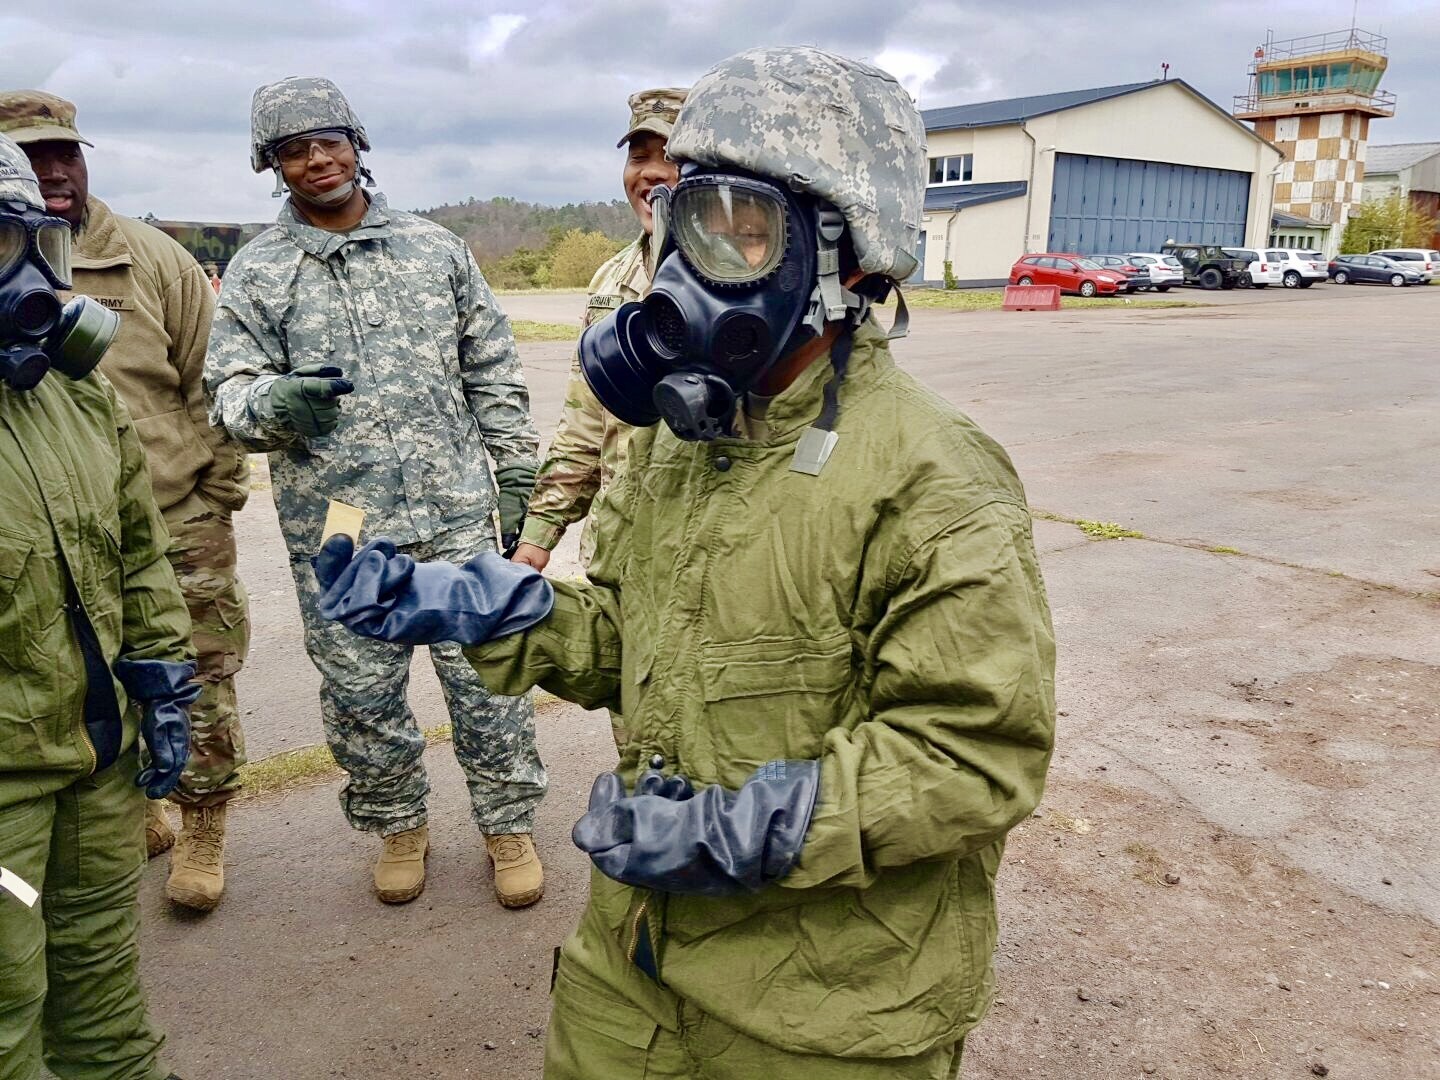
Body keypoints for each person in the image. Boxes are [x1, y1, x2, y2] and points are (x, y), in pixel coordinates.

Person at [315, 46, 1057, 1077]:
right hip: (635, 964)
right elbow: (628, 636)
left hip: (826, 1009)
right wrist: (483, 608)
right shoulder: (680, 438)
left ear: (850, 262)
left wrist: (745, 831)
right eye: (687, 223)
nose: (695, 268)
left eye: (747, 231)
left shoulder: (934, 473)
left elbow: (976, 755)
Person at [204, 76, 548, 908]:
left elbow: (493, 372)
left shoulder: (436, 250)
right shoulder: (258, 273)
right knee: (362, 693)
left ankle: (508, 824)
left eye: (329, 141)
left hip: (458, 508)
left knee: (490, 676)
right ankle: (399, 825)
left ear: (357, 143)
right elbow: (228, 394)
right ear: (272, 165)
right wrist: (271, 403)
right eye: (294, 150)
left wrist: (516, 479)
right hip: (341, 525)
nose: (317, 160)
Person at [0, 89, 251, 913]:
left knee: (196, 681)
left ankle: (204, 821)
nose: (55, 173)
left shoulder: (153, 261)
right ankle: (139, 803)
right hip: (54, 540)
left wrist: (211, 500)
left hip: (174, 525)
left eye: (65, 153)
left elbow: (214, 387)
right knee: (85, 683)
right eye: (33, 160)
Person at [0, 131, 197, 1080]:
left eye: (10, 247)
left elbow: (137, 552)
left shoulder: (72, 397)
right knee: (7, 1012)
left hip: (96, 765)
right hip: (7, 793)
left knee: (104, 994)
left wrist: (162, 682)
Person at [511, 86, 685, 575]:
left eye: (672, 155)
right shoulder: (612, 280)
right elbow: (585, 421)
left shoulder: (753, 288)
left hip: (709, 567)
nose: (650, 171)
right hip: (617, 558)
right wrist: (538, 537)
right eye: (639, 156)